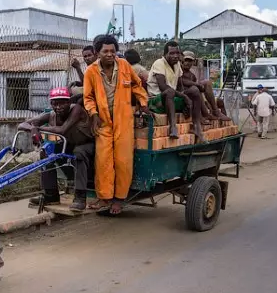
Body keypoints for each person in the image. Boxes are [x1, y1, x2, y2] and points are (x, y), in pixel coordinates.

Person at [83, 34, 150, 215]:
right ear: (97, 53)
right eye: (105, 51)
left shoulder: (125, 66)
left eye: (113, 51)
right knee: (103, 159)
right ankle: (104, 197)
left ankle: (119, 199)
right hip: (103, 121)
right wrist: (93, 113)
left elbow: (137, 85)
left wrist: (143, 103)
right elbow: (88, 97)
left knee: (123, 160)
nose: (110, 54)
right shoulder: (91, 71)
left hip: (123, 119)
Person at [19, 87, 95, 210]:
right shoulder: (52, 114)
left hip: (87, 144)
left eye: (62, 103)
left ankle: (80, 197)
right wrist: (33, 128)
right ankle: (51, 195)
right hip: (68, 143)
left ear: (69, 102)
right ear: (51, 104)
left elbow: (62, 130)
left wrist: (37, 128)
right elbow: (22, 125)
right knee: (46, 153)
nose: (58, 107)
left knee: (79, 153)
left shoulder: (76, 109)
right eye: (55, 104)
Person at [146, 41, 205, 141]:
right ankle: (173, 128)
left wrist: (186, 101)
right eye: (172, 53)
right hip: (157, 101)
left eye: (177, 53)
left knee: (195, 90)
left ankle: (196, 126)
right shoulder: (159, 63)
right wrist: (184, 97)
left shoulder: (177, 64)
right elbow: (163, 87)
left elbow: (179, 87)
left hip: (172, 99)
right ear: (165, 54)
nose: (175, 56)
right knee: (169, 92)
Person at [180, 51, 229, 121]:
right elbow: (181, 81)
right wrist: (196, 84)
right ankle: (211, 112)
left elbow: (198, 90)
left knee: (207, 84)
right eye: (186, 60)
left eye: (190, 61)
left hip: (193, 95)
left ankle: (215, 112)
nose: (187, 63)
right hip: (182, 95)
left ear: (193, 62)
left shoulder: (192, 75)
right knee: (198, 87)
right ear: (181, 60)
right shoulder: (178, 70)